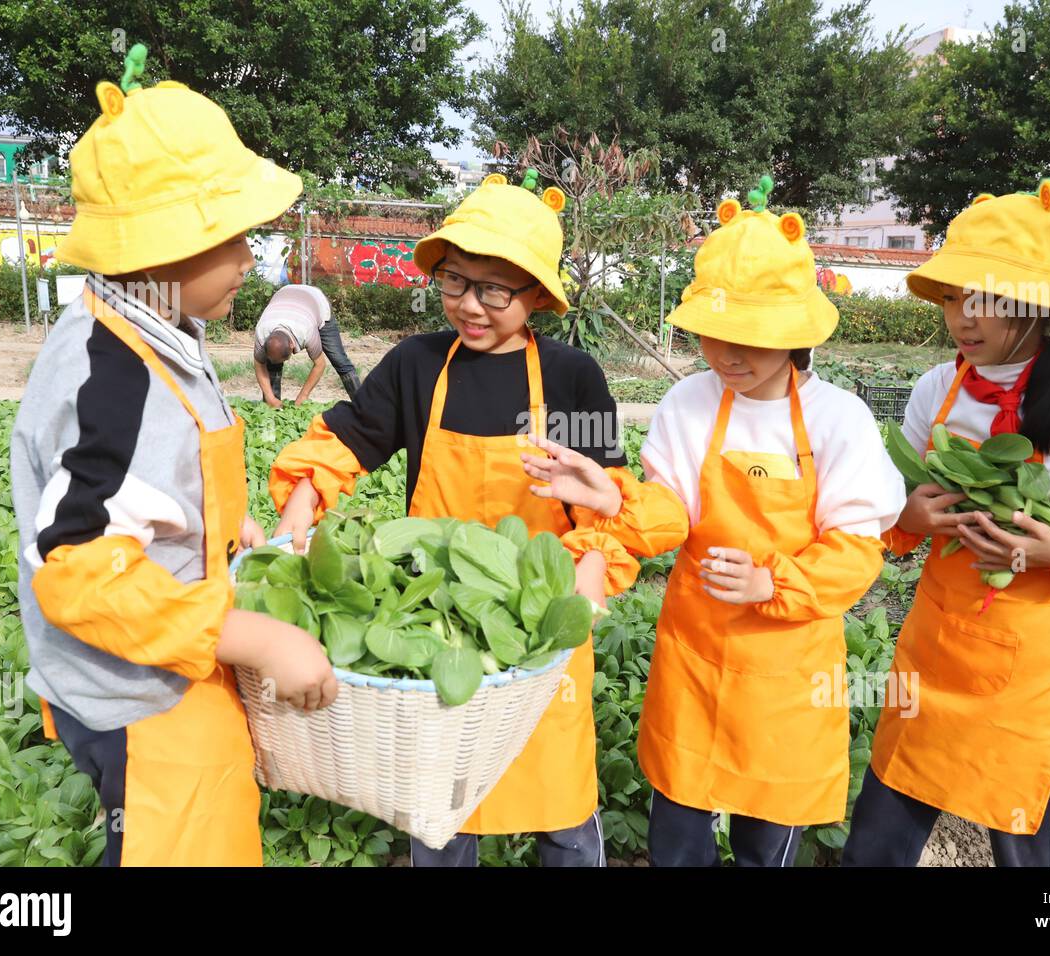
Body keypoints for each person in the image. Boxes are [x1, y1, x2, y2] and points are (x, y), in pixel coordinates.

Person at [519, 183, 905, 866]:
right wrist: (612, 499)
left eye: (752, 339)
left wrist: (773, 582)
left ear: (796, 335)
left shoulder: (838, 419)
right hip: (695, 653)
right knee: (679, 827)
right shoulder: (688, 402)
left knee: (767, 836)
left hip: (790, 666)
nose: (728, 355)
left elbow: (855, 550)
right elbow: (671, 512)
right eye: (715, 334)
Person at [10, 69, 337, 867]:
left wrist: (220, 527)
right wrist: (253, 636)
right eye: (229, 237)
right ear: (164, 246)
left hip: (169, 655)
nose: (248, 256)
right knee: (182, 842)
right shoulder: (113, 382)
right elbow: (82, 572)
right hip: (140, 695)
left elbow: (150, 485)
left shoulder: (148, 323)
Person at [268, 172, 639, 867]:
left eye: (495, 289)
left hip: (541, 619)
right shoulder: (417, 363)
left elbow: (605, 496)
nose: (471, 306)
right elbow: (352, 436)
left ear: (535, 295)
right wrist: (302, 497)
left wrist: (588, 578)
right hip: (440, 617)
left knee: (560, 801)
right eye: (455, 282)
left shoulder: (570, 377)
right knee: (440, 801)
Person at [842, 180, 1050, 867]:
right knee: (883, 825)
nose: (964, 318)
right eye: (951, 297)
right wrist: (905, 516)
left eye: (986, 299)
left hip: (1034, 661)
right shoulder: (934, 391)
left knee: (1033, 839)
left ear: (1036, 305)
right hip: (938, 637)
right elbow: (894, 500)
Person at [254, 283, 362, 405]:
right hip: (285, 296)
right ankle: (272, 405)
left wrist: (303, 395)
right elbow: (259, 364)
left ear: (291, 345)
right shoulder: (262, 331)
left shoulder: (306, 331)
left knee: (339, 360)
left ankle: (363, 407)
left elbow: (320, 364)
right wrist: (269, 396)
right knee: (273, 364)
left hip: (316, 301)